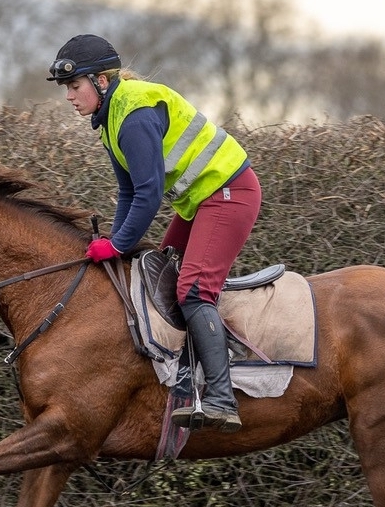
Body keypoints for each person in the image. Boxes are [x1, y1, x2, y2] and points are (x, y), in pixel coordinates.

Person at [47, 34, 261, 434]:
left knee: (193, 290)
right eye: (67, 89)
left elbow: (148, 194)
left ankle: (221, 399)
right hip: (202, 200)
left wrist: (117, 244)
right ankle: (188, 373)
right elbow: (129, 191)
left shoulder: (132, 114)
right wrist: (114, 243)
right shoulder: (109, 119)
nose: (69, 97)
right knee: (159, 276)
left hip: (229, 193)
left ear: (101, 81)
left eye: (74, 86)